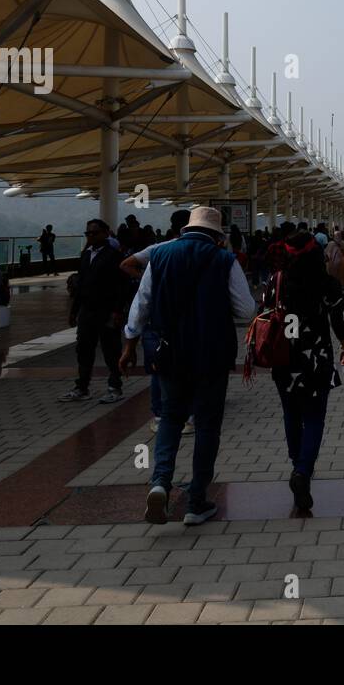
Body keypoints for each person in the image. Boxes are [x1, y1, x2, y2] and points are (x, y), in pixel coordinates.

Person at [119, 207, 255, 526]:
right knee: (207, 425)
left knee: (170, 418)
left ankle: (160, 483)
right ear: (217, 234)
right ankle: (196, 501)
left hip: (169, 353)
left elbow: (141, 304)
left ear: (186, 229)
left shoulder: (162, 255)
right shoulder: (224, 259)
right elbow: (247, 310)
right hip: (212, 353)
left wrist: (129, 344)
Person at [263, 231, 344, 514]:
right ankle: (303, 471)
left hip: (284, 358)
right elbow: (339, 320)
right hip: (317, 358)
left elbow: (265, 312)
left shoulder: (277, 281)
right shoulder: (326, 283)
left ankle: (297, 465)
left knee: (291, 413)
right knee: (314, 418)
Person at [121, 209, 192, 434]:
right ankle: (188, 415)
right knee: (187, 367)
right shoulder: (204, 251)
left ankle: (162, 415)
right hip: (187, 321)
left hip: (157, 322)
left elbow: (128, 270)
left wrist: (131, 337)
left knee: (159, 369)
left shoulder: (158, 250)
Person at [63, 219, 129, 404]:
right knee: (84, 349)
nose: (91, 236)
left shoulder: (115, 256)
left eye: (95, 233)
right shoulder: (86, 255)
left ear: (106, 233)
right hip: (87, 310)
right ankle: (82, 386)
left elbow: (121, 286)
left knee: (111, 350)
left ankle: (115, 386)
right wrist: (74, 311)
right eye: (88, 233)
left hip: (107, 310)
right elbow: (80, 285)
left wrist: (117, 310)